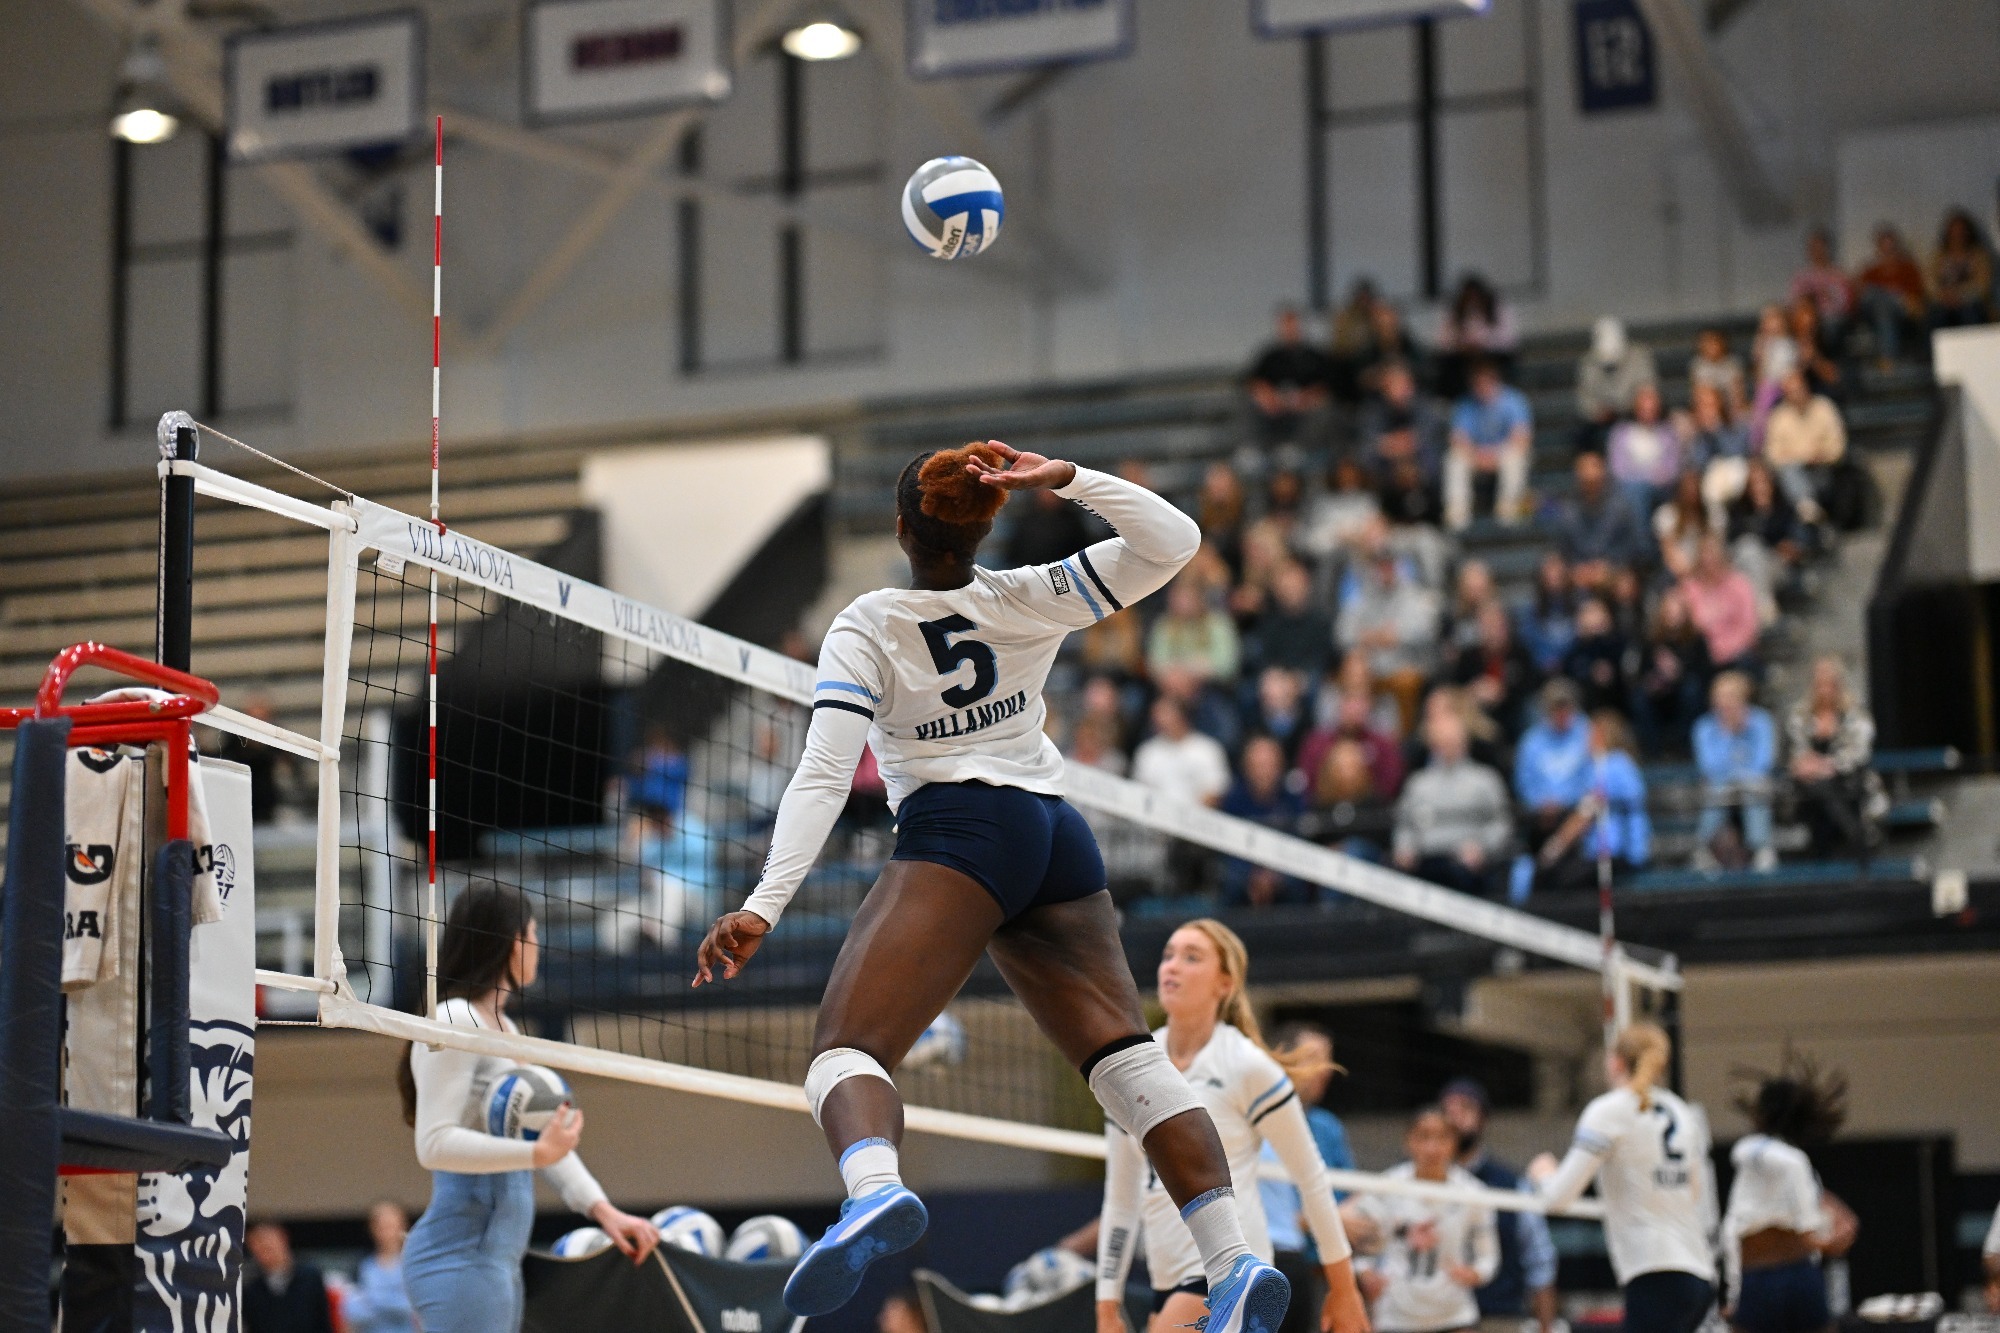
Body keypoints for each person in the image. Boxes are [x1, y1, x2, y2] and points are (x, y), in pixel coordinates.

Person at [695, 443, 1312, 1333]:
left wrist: (763, 902)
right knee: (1128, 1062)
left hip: (961, 831)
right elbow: (1175, 539)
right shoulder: (1027, 592)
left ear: (905, 529)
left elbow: (824, 777)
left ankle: (872, 1190)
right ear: (984, 525)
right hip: (1055, 833)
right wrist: (1064, 476)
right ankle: (1233, 1259)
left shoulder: (867, 623)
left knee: (844, 1051)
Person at [398, 887, 658, 1332]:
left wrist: (603, 1210)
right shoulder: (455, 1017)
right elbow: (434, 1144)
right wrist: (537, 1156)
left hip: (498, 1258)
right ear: (514, 942)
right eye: (535, 934)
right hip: (458, 1257)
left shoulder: (508, 1028)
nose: (538, 945)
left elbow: (543, 1141)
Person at [1097, 921, 1367, 1333]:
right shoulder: (1133, 1066)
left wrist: (1343, 1288)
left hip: (1229, 1272)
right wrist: (1106, 1304)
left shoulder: (1246, 1066)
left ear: (1225, 983)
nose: (1172, 966)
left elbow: (1311, 1178)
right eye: (1169, 955)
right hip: (1166, 1277)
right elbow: (1120, 1201)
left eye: (1192, 957)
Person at [1527, 1024, 1718, 1333]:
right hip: (1698, 1274)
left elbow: (1557, 1198)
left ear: (1615, 1061)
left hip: (1655, 1272)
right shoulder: (1681, 1111)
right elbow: (1694, 1192)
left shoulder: (1609, 1110)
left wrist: (1544, 1174)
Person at [1723, 1057, 1858, 1333]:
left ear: (1762, 1113)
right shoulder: (1777, 1158)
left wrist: (1829, 1238)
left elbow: (1807, 1233)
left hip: (1775, 1278)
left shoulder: (1788, 1163)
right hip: (1788, 1278)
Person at [1349, 1105, 1500, 1333]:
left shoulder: (1473, 1192)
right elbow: (1357, 1244)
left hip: (1454, 1314)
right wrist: (1365, 1272)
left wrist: (1475, 1273)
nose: (1432, 1147)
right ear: (1408, 1141)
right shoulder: (1385, 1186)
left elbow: (1488, 1256)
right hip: (1395, 1316)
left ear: (1454, 1144)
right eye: (1423, 1137)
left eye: (1442, 1138)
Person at [1260, 1024, 1359, 1333]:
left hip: (1322, 1269)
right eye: (1314, 1058)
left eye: (1329, 1060)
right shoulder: (1250, 1121)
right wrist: (1310, 1220)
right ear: (1281, 1058)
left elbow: (1352, 1195)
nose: (1326, 1070)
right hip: (1267, 1261)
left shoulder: (1326, 1127)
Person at [1438, 1079, 1558, 1333]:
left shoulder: (1511, 1185)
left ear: (1482, 1119)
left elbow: (1540, 1260)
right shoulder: (1415, 1181)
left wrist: (1546, 1325)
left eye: (1465, 1109)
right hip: (1436, 1318)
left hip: (1497, 1317)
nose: (1455, 1118)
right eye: (1448, 1111)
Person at [1393, 709, 1512, 896]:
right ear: (1434, 743)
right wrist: (1404, 848)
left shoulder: (1485, 780)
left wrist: (1482, 848)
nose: (1448, 744)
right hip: (1424, 862)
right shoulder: (1418, 783)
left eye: (1453, 738)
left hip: (1468, 865)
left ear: (1465, 741)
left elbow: (1501, 824)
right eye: (1443, 739)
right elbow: (1404, 825)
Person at [1530, 710, 1650, 894]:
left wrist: (1552, 849)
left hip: (1617, 855)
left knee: (1554, 879)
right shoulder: (1623, 764)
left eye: (1590, 733)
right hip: (1616, 854)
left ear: (1601, 736)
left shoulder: (1609, 765)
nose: (1585, 740)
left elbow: (1584, 815)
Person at [1336, 546, 1441, 731]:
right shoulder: (1363, 596)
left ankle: (1403, 740)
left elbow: (1427, 630)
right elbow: (1342, 633)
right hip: (1370, 668)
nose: (1385, 571)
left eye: (1389, 566)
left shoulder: (1415, 595)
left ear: (1398, 567)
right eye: (1380, 566)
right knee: (1352, 671)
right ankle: (1353, 734)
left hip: (1404, 665)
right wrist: (1371, 637)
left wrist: (1398, 636)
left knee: (1406, 681)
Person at [1785, 657, 1881, 858]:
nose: (1825, 690)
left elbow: (1859, 752)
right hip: (1807, 785)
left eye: (1831, 685)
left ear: (1840, 686)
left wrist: (1830, 765)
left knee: (1827, 787)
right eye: (1820, 685)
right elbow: (1797, 754)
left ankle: (1825, 848)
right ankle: (1857, 836)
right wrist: (1815, 767)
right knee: (1818, 787)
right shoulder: (1799, 715)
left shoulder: (1856, 714)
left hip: (1848, 780)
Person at [1692, 671, 1777, 872]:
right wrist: (1729, 734)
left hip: (1754, 784)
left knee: (1752, 787)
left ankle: (1760, 848)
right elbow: (1709, 766)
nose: (1726, 703)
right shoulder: (1704, 727)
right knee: (1719, 789)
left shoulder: (1761, 721)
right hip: (1719, 784)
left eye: (1731, 696)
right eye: (1721, 697)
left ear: (1743, 698)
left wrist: (1743, 732)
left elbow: (1764, 761)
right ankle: (1703, 849)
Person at [1221, 736, 1311, 907]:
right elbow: (1228, 847)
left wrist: (1274, 877)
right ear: (1247, 767)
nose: (1264, 771)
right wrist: (1252, 875)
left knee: (1297, 879)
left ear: (1279, 766)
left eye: (1269, 764)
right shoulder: (1233, 799)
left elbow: (1298, 842)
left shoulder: (1293, 798)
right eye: (1258, 765)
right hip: (1244, 867)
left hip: (1285, 866)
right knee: (1230, 877)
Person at [1445, 359, 1533, 530]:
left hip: (1503, 453)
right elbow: (1458, 439)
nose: (1482, 386)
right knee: (1453, 459)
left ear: (1495, 380)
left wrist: (1493, 455)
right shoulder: (1465, 405)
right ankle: (1458, 515)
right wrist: (1477, 456)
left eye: (1486, 381)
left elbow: (1522, 438)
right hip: (1475, 455)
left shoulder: (1513, 400)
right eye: (1477, 382)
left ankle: (1509, 511)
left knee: (1515, 457)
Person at [1630, 587, 1712, 758]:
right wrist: (1653, 681)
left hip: (1685, 695)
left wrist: (1677, 672)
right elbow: (1641, 673)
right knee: (1639, 696)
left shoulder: (1697, 640)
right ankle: (1652, 751)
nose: (1673, 616)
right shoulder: (1651, 641)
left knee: (1691, 689)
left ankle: (1683, 747)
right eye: (1669, 611)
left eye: (1677, 611)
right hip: (1659, 697)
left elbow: (1705, 674)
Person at [1554, 453, 1649, 587]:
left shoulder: (1621, 507)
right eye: (1586, 481)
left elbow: (1635, 547)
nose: (1590, 485)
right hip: (1580, 573)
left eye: (1594, 481)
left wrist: (1610, 567)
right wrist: (1577, 569)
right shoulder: (1568, 511)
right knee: (1553, 574)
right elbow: (1563, 550)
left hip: (1615, 570)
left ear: (1604, 475)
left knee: (1626, 583)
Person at [1449, 602, 1540, 741]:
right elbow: (1455, 687)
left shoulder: (1520, 653)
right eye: (1486, 626)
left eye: (1496, 626)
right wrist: (1473, 690)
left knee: (1531, 709)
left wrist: (1502, 692)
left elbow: (1530, 685)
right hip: (1477, 713)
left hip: (1512, 709)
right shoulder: (1469, 656)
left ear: (1505, 627)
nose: (1491, 631)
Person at [1249, 307, 1337, 447]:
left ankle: (1303, 450)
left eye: (1293, 325)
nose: (1289, 329)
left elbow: (1327, 385)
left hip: (1306, 412)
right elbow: (1255, 382)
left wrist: (1306, 398)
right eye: (1285, 325)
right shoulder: (1270, 357)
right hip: (1275, 411)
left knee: (1325, 410)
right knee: (1249, 406)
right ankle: (1256, 451)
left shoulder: (1315, 356)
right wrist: (1268, 397)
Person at [1761, 370, 1845, 512]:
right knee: (1789, 471)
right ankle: (1807, 508)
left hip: (1823, 470)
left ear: (1806, 387)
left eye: (1798, 389)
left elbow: (1838, 447)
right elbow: (1772, 454)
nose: (1796, 395)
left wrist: (1820, 456)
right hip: (1792, 474)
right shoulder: (1778, 416)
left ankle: (1806, 509)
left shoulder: (1824, 408)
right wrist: (1802, 457)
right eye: (1791, 391)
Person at [1680, 536, 1761, 678]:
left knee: (1745, 662)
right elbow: (1688, 628)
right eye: (1704, 559)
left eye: (1712, 557)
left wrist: (1724, 650)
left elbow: (1750, 628)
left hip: (1736, 655)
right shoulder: (1689, 589)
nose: (1709, 563)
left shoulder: (1739, 584)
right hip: (1704, 658)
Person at [1575, 317, 1657, 456]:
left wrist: (1633, 406)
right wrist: (1597, 412)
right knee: (1582, 436)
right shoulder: (1587, 363)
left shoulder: (1640, 356)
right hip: (1602, 419)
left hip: (1634, 413)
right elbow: (1584, 399)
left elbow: (1649, 391)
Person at [1362, 361, 1448, 484]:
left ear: (1410, 385)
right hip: (1388, 462)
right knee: (1367, 455)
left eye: (1401, 384)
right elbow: (1372, 439)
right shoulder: (1374, 408)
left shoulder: (1424, 405)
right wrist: (1396, 444)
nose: (1397, 390)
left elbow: (1426, 435)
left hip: (1419, 459)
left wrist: (1400, 443)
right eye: (1391, 385)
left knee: (1432, 452)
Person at [244, 1220, 337, 1333]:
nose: (263, 1246)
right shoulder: (251, 1290)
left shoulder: (310, 1277)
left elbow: (323, 1322)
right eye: (256, 1243)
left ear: (283, 1238)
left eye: (267, 1240)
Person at [1853, 225, 1928, 366]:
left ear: (1897, 248)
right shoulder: (1870, 272)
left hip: (1903, 314)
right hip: (1871, 314)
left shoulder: (1908, 269)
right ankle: (1893, 298)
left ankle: (1887, 360)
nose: (1888, 252)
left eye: (1891, 248)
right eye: (1884, 248)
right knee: (1875, 295)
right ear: (1878, 249)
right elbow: (1861, 296)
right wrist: (1892, 295)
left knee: (1883, 307)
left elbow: (1915, 300)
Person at [1434, 275, 1518, 398]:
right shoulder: (1455, 314)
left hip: (1492, 355)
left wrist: (1484, 344)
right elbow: (1443, 342)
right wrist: (1462, 345)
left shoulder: (1498, 310)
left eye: (1476, 296)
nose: (1473, 300)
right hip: (1464, 358)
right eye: (1468, 297)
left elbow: (1508, 340)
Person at [1607, 383, 1682, 521]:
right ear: (1635, 407)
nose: (1648, 411)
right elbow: (1618, 471)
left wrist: (1644, 476)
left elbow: (1672, 471)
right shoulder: (1621, 432)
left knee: (1638, 491)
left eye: (1652, 408)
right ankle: (1642, 540)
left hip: (1662, 491)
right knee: (1636, 492)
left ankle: (1641, 541)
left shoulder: (1668, 433)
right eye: (1644, 408)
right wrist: (1649, 476)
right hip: (1628, 490)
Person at [342, 1201, 418, 1333]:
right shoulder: (362, 1267)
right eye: (382, 1226)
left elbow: (415, 1309)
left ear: (403, 1226)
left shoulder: (415, 1266)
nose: (387, 1232)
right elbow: (352, 1312)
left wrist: (373, 1300)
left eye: (391, 1225)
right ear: (372, 1228)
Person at [1928, 209, 1994, 328]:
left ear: (1968, 232)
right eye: (1954, 230)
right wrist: (1943, 295)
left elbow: (1983, 285)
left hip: (1970, 302)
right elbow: (1929, 281)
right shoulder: (1939, 256)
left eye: (1961, 230)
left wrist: (1959, 295)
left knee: (1970, 313)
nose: (1957, 234)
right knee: (1934, 315)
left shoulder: (1979, 255)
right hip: (1943, 302)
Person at [1787, 229, 1855, 332]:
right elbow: (1793, 302)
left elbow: (1845, 306)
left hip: (1832, 319)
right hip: (1808, 319)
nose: (1817, 251)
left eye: (1820, 247)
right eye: (1813, 247)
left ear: (1827, 248)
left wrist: (1828, 294)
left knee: (1829, 326)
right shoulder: (1802, 277)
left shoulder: (1838, 275)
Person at [1688, 329, 1748, 422]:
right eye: (1708, 343)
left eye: (1715, 343)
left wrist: (1731, 410)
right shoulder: (1698, 366)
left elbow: (1738, 393)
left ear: (1723, 344)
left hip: (1731, 406)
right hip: (1708, 408)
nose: (1713, 347)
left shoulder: (1733, 364)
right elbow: (1698, 395)